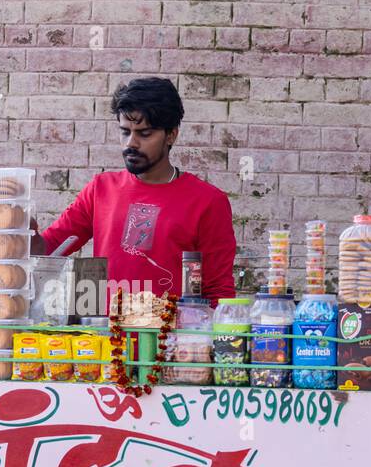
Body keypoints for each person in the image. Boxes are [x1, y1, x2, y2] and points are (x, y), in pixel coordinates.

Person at [31, 77, 238, 305]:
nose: (131, 143)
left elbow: (219, 290)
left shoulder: (207, 201)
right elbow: (51, 249)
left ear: (171, 135)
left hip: (170, 338)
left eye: (144, 134)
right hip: (108, 338)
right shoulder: (101, 189)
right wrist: (23, 233)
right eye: (125, 132)